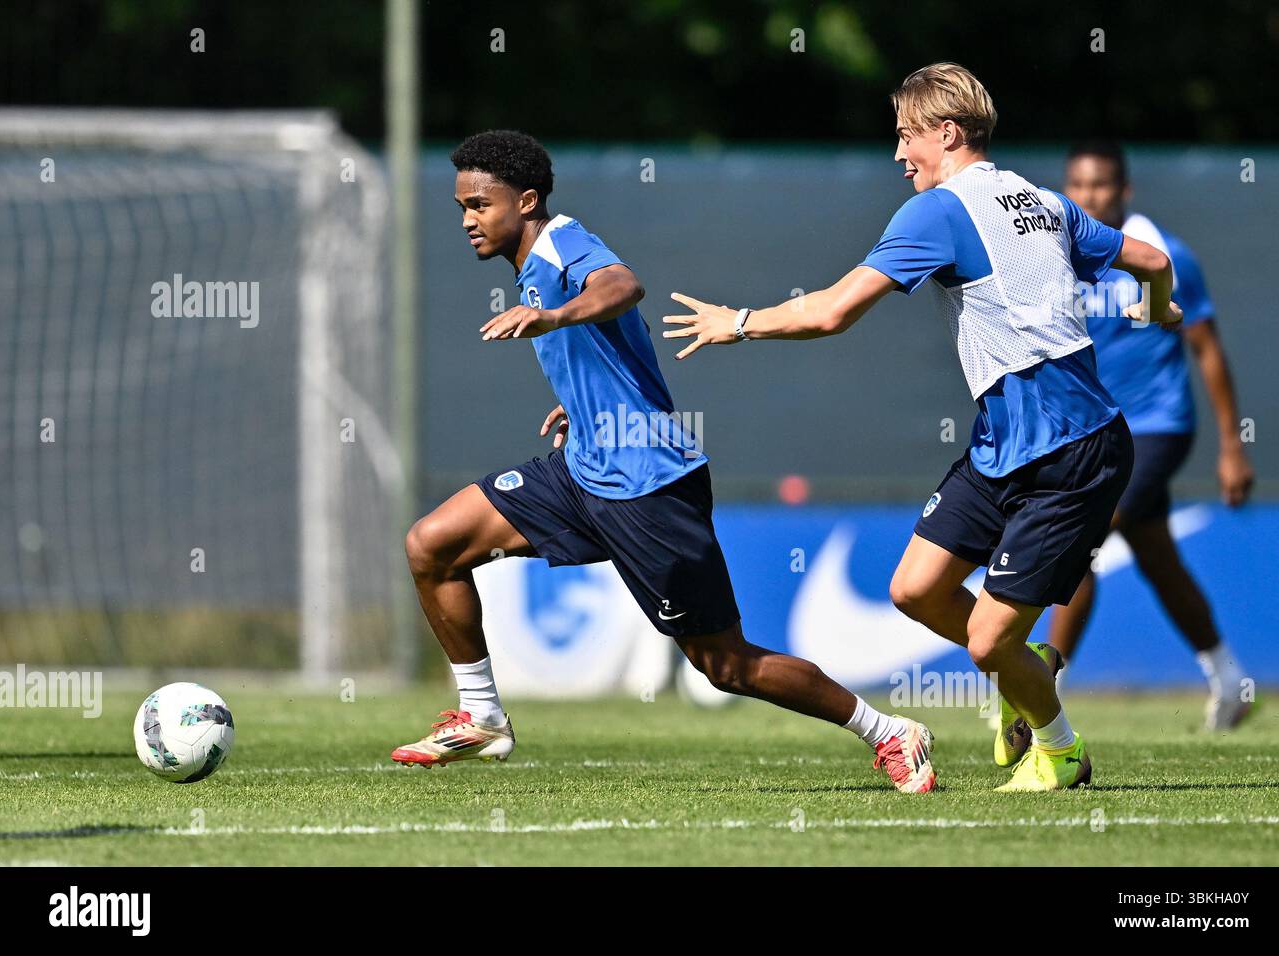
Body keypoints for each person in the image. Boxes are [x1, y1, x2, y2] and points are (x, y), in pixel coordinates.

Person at [663, 64, 1181, 791]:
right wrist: (1157, 307)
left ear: (948, 133)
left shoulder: (938, 212)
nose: (900, 153)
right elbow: (1152, 260)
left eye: (908, 135)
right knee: (915, 589)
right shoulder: (1044, 200)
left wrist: (741, 322)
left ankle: (1060, 750)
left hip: (1073, 450)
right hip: (1005, 444)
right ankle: (1026, 664)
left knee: (986, 643)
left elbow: (832, 311)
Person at [392, 130, 938, 793]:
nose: (468, 220)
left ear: (526, 201)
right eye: (462, 207)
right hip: (584, 469)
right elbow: (614, 346)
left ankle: (889, 731)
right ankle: (482, 716)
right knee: (432, 545)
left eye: (480, 205)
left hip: (646, 486)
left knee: (725, 666)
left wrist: (554, 317)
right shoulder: (532, 264)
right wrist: (582, 402)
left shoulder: (562, 242)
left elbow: (623, 286)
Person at [1053, 140, 1254, 730]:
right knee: (1157, 558)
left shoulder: (1163, 255)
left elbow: (1207, 348)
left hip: (1157, 427)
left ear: (1125, 190)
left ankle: (1038, 694)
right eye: (1078, 185)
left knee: (1078, 540)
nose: (1088, 196)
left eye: (1100, 185)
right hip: (1096, 432)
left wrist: (1232, 446)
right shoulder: (1058, 253)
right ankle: (1229, 680)